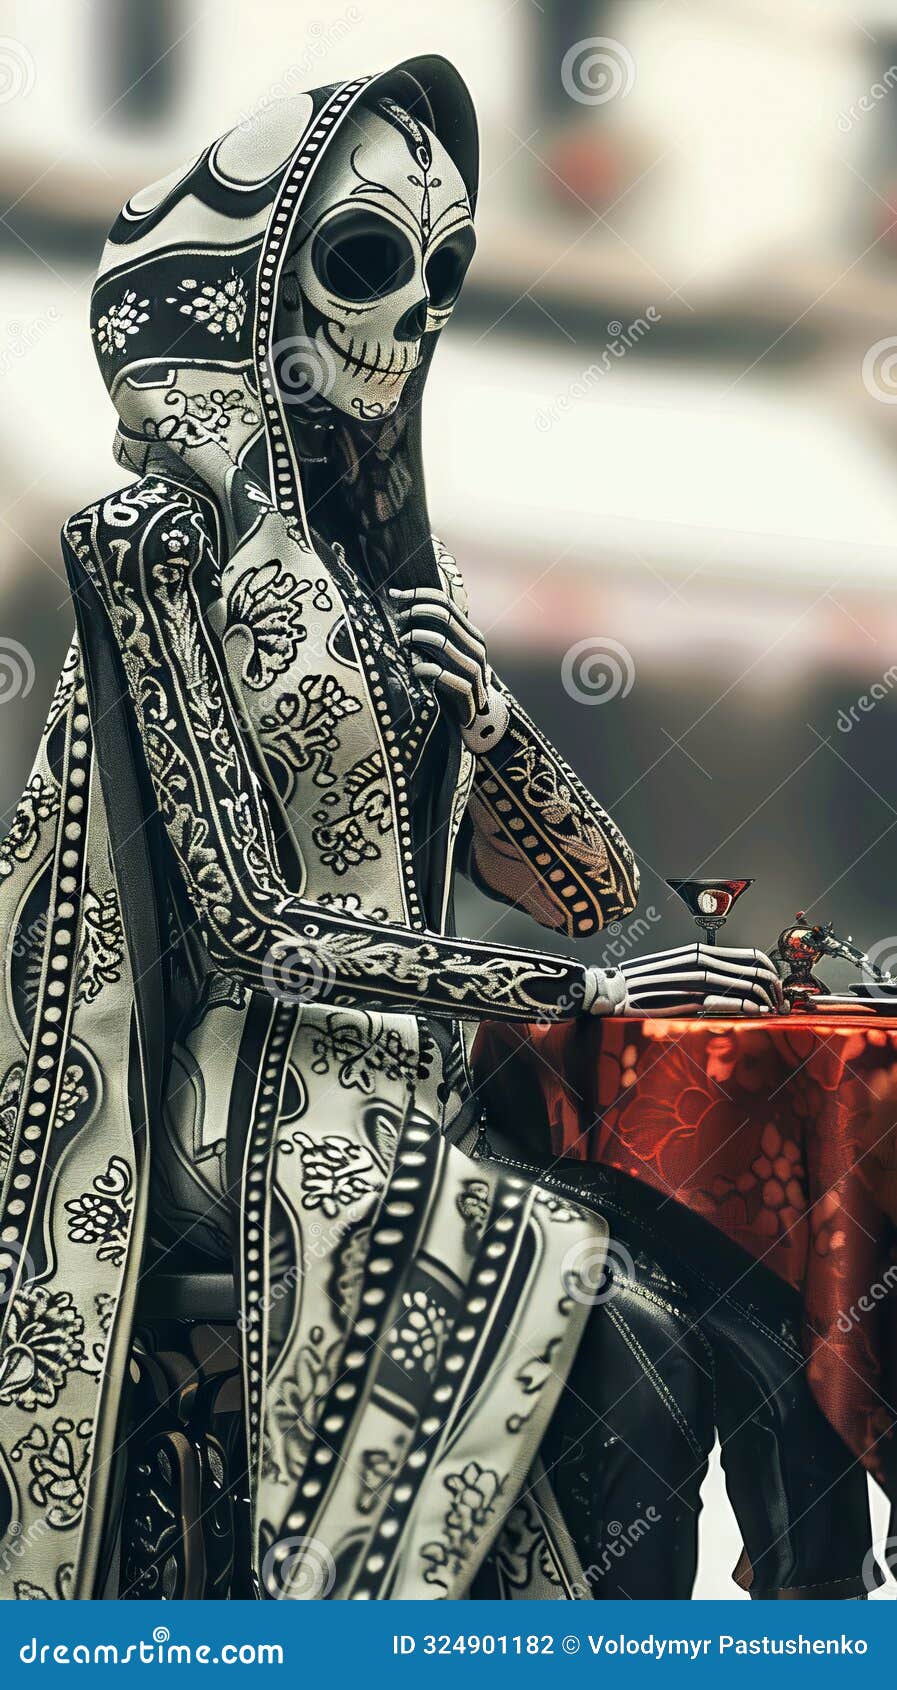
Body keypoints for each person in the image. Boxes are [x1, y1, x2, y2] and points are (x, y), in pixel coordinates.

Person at [0, 56, 781, 1601]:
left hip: (414, 1097)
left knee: (755, 1333)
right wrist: (578, 998)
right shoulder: (151, 545)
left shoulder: (387, 589)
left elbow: (594, 889)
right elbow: (246, 924)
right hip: (253, 1113)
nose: (412, 313)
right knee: (624, 1365)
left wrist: (488, 713)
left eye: (443, 270)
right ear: (249, 286)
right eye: (367, 261)